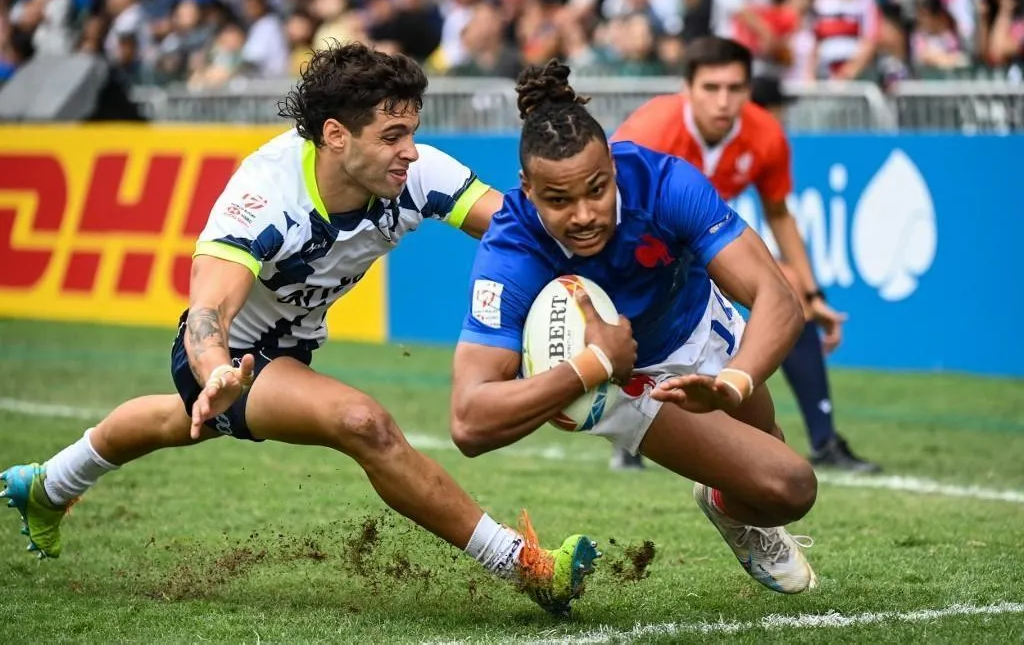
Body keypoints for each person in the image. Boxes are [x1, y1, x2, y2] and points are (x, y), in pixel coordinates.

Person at [1, 43, 599, 617]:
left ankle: (49, 484)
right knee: (362, 423)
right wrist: (216, 374)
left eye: (412, 133)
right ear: (336, 135)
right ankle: (524, 566)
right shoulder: (264, 196)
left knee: (173, 420)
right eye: (392, 136)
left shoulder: (418, 173)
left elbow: (520, 231)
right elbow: (207, 315)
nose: (411, 152)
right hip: (229, 358)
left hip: (290, 347)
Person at [449, 59, 819, 595]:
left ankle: (724, 503)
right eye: (558, 200)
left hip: (696, 320)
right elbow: (468, 420)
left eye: (596, 190)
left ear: (613, 169)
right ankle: (734, 496)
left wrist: (733, 382)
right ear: (527, 189)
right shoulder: (510, 251)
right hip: (624, 381)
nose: (583, 215)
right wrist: (593, 365)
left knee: (766, 461)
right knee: (791, 487)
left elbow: (778, 298)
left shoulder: (664, 182)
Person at [609, 37, 881, 474]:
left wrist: (813, 294)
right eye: (711, 88)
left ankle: (825, 440)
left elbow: (779, 213)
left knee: (789, 291)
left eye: (734, 88)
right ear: (687, 89)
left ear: (749, 90)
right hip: (642, 253)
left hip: (706, 243)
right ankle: (634, 432)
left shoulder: (765, 133)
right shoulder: (649, 131)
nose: (723, 101)